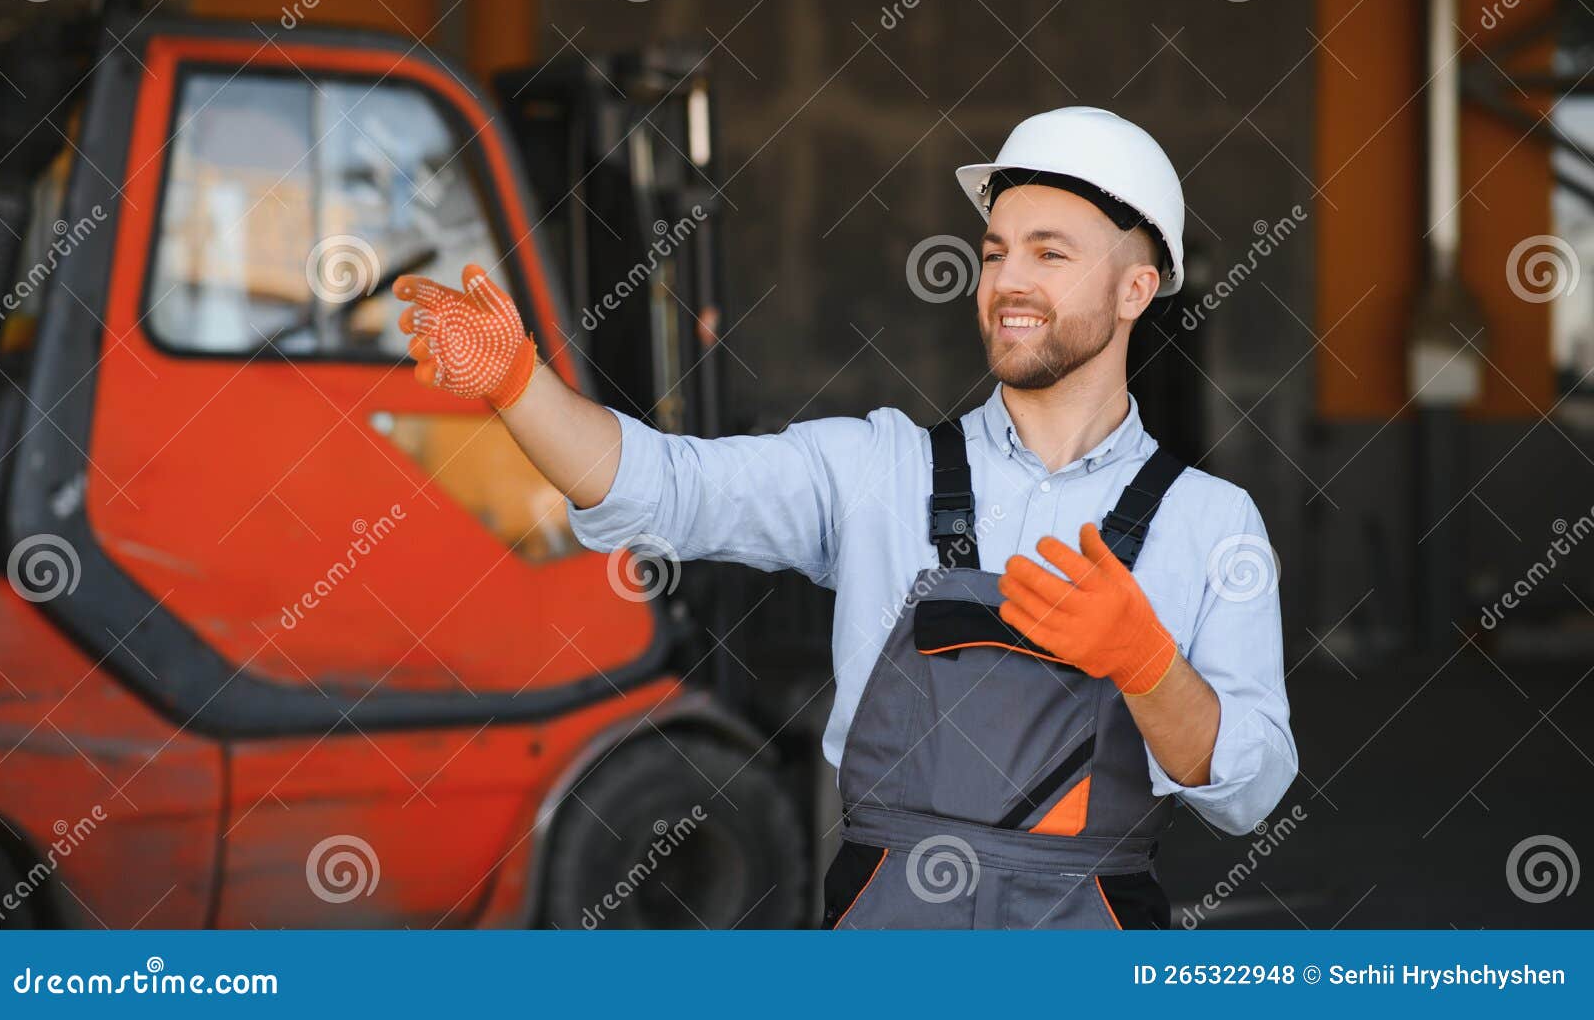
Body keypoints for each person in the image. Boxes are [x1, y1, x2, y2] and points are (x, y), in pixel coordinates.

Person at [392, 105, 1298, 930]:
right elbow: (666, 487)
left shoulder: (1209, 525)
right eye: (994, 252)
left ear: (1137, 289)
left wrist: (1148, 665)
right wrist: (521, 384)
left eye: (1049, 254)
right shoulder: (876, 469)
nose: (1007, 282)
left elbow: (1249, 791)